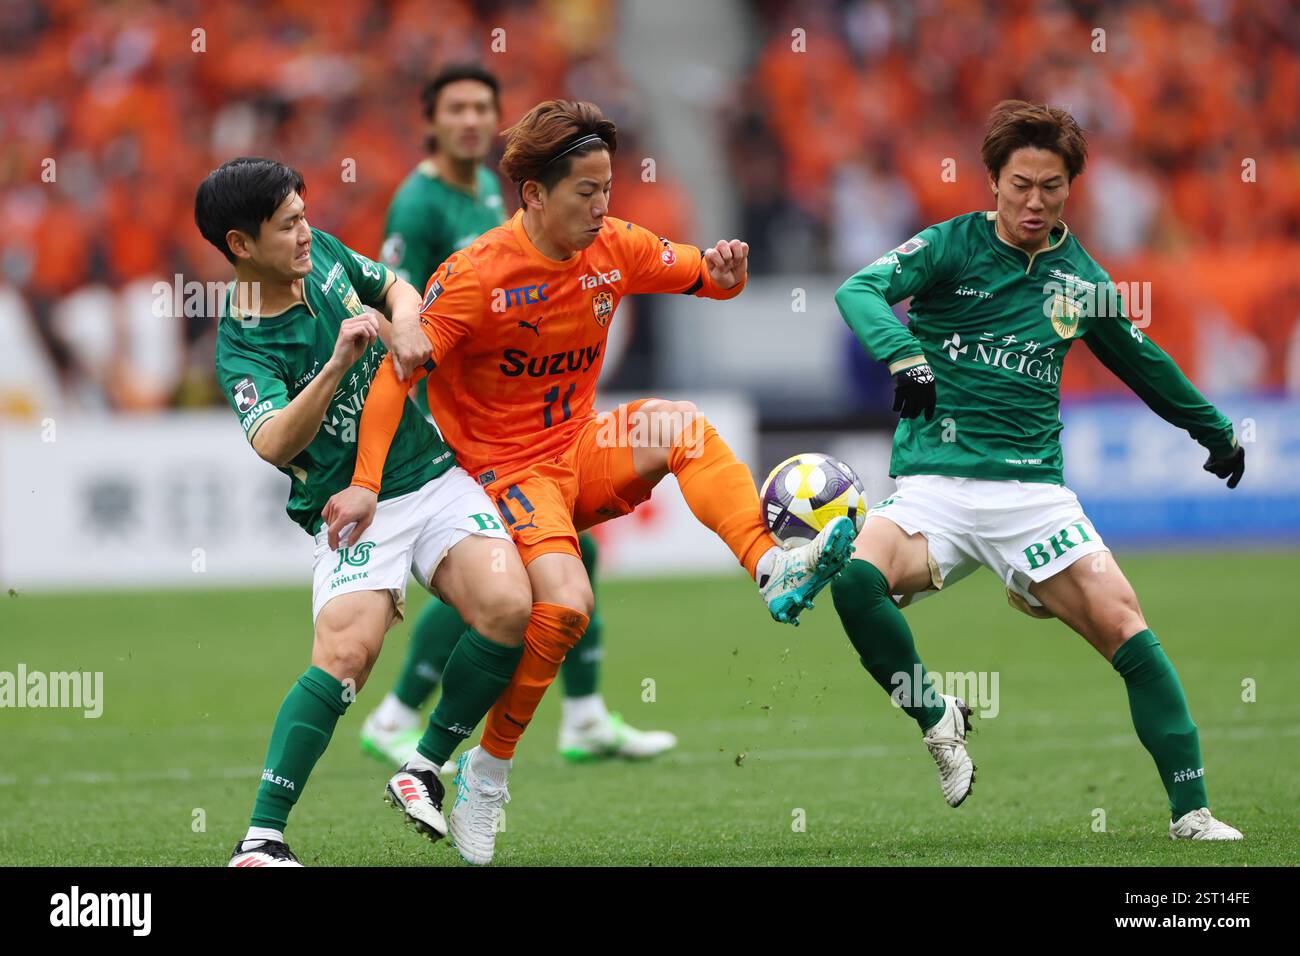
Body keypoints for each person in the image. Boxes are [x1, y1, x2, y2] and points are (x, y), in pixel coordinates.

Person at [324, 99, 856, 864]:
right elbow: (394, 376)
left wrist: (727, 275)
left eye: (608, 187)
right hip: (503, 471)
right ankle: (486, 771)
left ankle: (772, 566)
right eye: (586, 190)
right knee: (567, 603)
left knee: (681, 426)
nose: (603, 205)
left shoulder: (615, 246)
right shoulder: (475, 276)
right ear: (534, 195)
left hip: (577, 446)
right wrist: (367, 482)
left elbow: (703, 276)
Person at [830, 100, 1245, 840]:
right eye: (1020, 184)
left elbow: (1143, 362)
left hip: (1032, 495)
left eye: (1051, 187)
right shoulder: (950, 245)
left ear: (1070, 188)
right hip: (933, 488)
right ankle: (936, 715)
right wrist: (904, 355)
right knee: (857, 581)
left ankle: (1193, 812)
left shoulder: (1080, 281)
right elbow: (856, 290)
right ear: (993, 180)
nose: (1034, 202)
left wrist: (1213, 430)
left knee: (1126, 629)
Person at [198, 157, 533, 867]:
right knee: (347, 655)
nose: (304, 232)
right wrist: (336, 366)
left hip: (428, 473)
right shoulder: (242, 343)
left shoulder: (320, 252)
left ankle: (424, 767)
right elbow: (273, 441)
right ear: (240, 245)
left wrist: (405, 325)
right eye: (286, 225)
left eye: (303, 215)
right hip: (350, 510)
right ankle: (261, 840)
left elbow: (394, 285)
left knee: (509, 606)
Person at [362, 65, 676, 770]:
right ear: (431, 122)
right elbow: (398, 307)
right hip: (460, 420)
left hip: (516, 413)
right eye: (457, 109)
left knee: (559, 559)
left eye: (483, 107)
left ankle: (580, 714)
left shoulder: (485, 189)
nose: (472, 120)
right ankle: (401, 715)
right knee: (512, 574)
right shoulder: (418, 202)